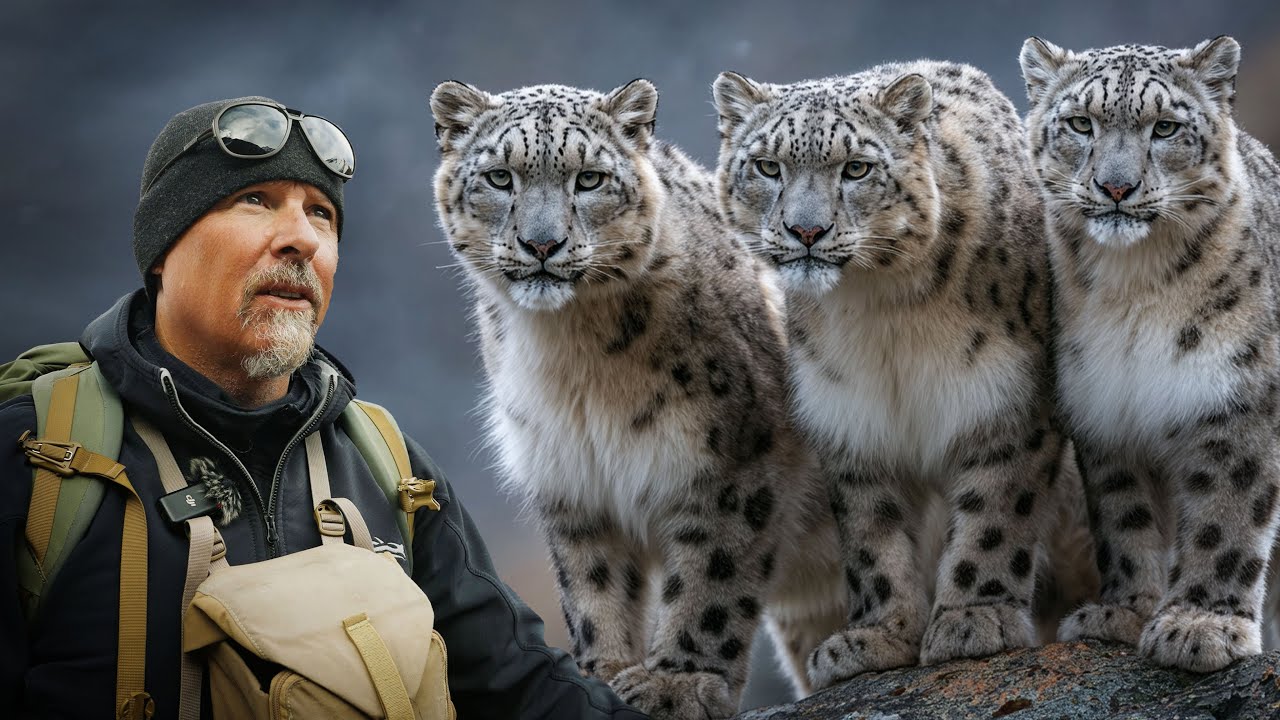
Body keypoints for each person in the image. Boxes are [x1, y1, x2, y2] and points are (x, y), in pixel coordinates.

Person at [0, 96, 646, 719]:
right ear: (164, 248)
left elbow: (518, 689)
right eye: (254, 201)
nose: (300, 239)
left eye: (321, 214)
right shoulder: (34, 458)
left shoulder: (388, 466)